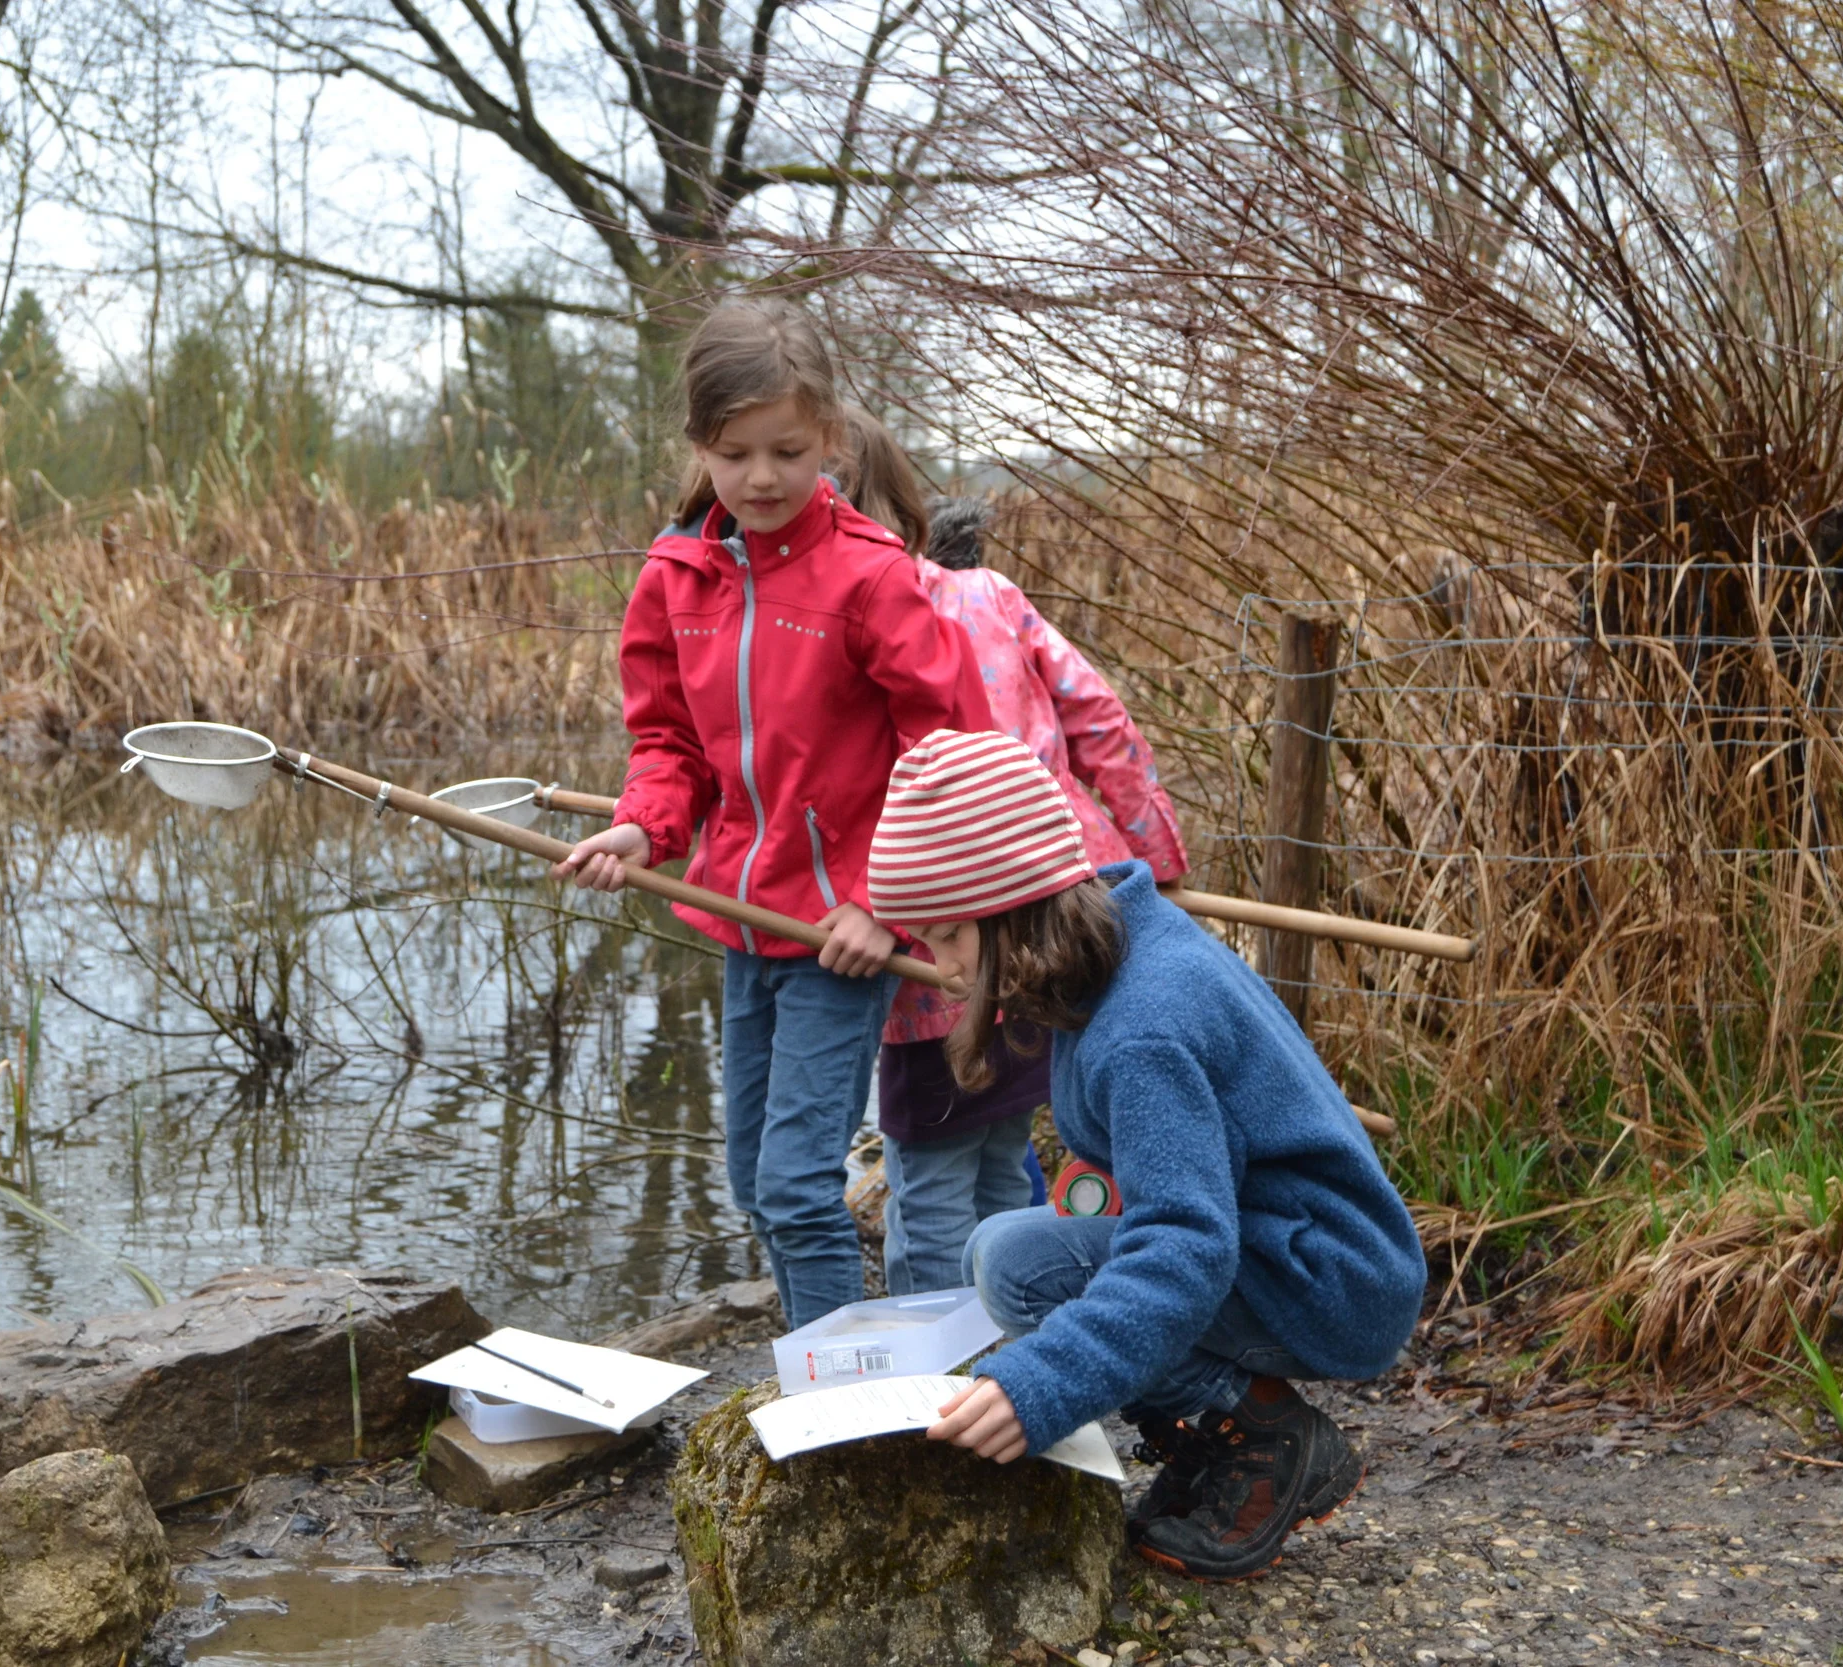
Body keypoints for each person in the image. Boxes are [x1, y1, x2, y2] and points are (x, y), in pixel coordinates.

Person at [863, 728, 1425, 1582]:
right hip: (1282, 1242)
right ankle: (1214, 1434)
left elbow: (1185, 1247)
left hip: (1332, 1278)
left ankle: (1269, 1438)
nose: (941, 968)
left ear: (1011, 903)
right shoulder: (1117, 944)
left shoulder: (1143, 1028)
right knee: (1006, 1252)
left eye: (948, 936)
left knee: (1027, 1272)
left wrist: (1040, 1384)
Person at [553, 302, 992, 1332]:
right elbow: (668, 745)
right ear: (698, 447)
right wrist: (642, 830)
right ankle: (824, 1362)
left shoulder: (872, 577)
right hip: (744, 919)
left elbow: (952, 751)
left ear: (831, 438)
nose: (760, 478)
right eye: (733, 452)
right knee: (757, 1184)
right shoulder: (676, 574)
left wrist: (886, 904)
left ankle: (842, 1393)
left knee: (798, 1186)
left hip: (841, 933)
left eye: (787, 451)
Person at [837, 409, 1190, 1295]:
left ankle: (938, 1365)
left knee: (928, 1172)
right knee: (1001, 1146)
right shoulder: (989, 594)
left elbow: (838, 790)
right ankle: (1012, 1322)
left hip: (936, 949)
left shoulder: (841, 624)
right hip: (1051, 914)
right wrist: (1152, 852)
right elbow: (1098, 713)